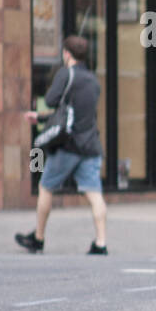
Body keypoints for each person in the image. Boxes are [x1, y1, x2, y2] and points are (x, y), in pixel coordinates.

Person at [16, 35, 108, 255]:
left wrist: (40, 114)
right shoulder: (93, 81)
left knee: (46, 186)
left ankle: (38, 238)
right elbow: (72, 113)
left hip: (68, 146)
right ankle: (101, 243)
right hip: (91, 146)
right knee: (94, 194)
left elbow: (51, 101)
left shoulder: (67, 74)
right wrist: (40, 118)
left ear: (67, 54)